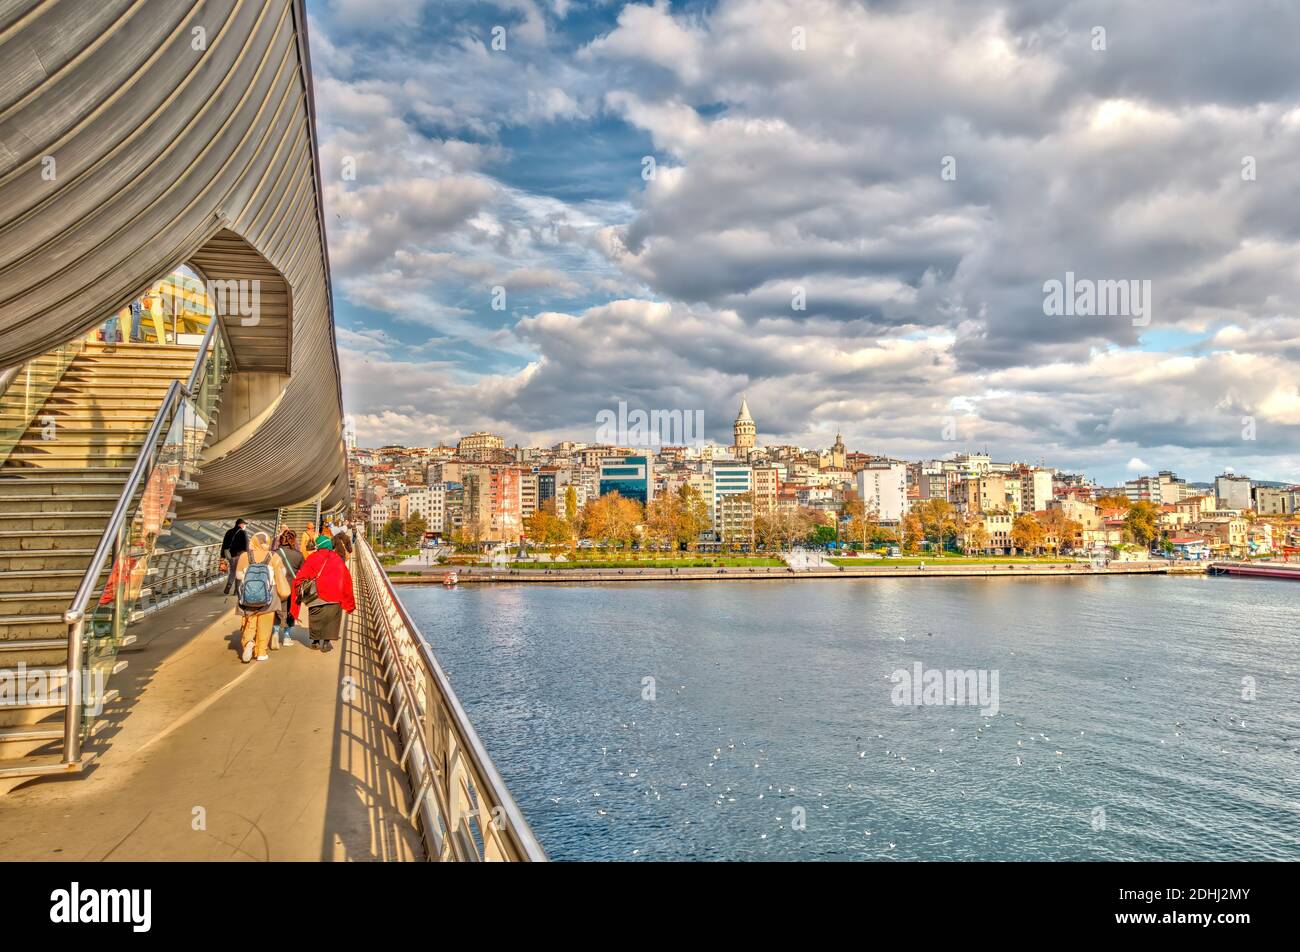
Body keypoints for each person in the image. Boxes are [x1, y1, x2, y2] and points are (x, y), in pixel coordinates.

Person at [291, 534, 355, 654]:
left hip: (316, 594)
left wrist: (298, 592)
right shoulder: (336, 558)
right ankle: (326, 643)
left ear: (318, 546)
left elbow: (302, 575)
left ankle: (315, 641)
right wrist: (348, 601)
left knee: (316, 617)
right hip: (335, 595)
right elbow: (346, 579)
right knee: (332, 620)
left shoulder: (313, 557)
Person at [235, 531, 292, 663]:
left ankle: (249, 642)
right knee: (265, 624)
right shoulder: (274, 556)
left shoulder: (245, 556)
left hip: (248, 595)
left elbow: (238, 576)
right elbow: (283, 573)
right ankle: (261, 652)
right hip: (269, 596)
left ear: (255, 542)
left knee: (250, 621)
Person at [273, 529, 305, 647]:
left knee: (276, 609)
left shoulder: (274, 554)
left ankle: (275, 633)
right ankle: (286, 636)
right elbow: (304, 572)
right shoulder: (298, 555)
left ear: (281, 540)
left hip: (276, 586)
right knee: (290, 611)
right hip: (292, 587)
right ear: (293, 540)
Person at [220, 518, 249, 595]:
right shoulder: (243, 532)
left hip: (230, 555)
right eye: (244, 524)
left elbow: (224, 544)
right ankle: (237, 590)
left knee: (233, 571)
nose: (245, 526)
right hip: (239, 555)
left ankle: (228, 586)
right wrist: (248, 556)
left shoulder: (228, 532)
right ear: (241, 524)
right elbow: (246, 546)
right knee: (239, 571)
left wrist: (222, 556)